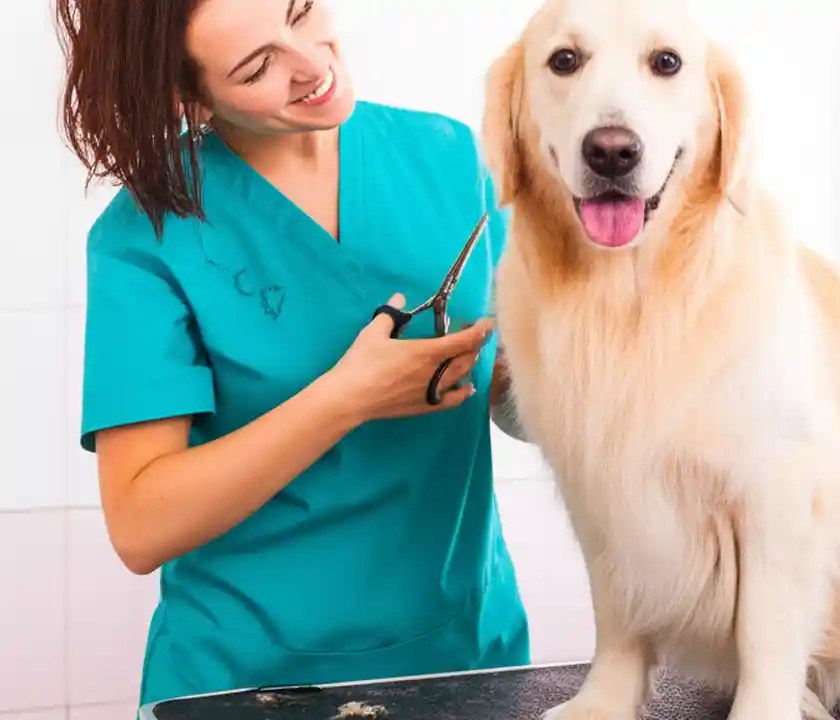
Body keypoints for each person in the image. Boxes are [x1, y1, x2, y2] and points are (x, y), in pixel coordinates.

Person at [55, 0, 531, 708]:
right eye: (257, 67)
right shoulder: (145, 238)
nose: (312, 66)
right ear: (189, 95)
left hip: (466, 655)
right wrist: (347, 399)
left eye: (302, 12)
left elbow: (519, 393)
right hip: (247, 681)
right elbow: (141, 524)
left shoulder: (455, 157)